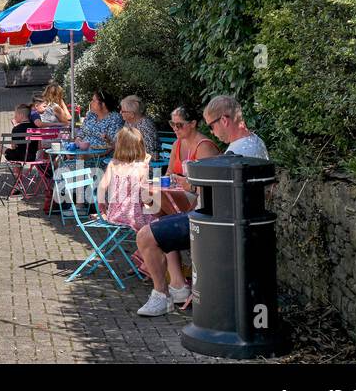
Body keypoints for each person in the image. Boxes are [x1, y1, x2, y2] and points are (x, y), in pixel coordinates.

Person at [134, 95, 269, 316]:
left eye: (212, 125)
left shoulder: (237, 152)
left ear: (224, 120)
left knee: (145, 236)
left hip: (215, 224)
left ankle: (162, 296)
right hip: (227, 222)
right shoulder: (253, 143)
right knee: (159, 219)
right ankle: (176, 287)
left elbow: (216, 194)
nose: (213, 132)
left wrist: (192, 184)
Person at [159, 105, 220, 214]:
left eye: (179, 125)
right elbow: (169, 172)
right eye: (172, 124)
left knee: (158, 198)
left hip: (199, 202)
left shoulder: (204, 146)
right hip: (181, 196)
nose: (175, 128)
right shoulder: (176, 144)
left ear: (192, 124)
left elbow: (208, 187)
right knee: (151, 195)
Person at [97, 126, 157, 232]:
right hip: (134, 218)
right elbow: (145, 197)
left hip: (114, 216)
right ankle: (145, 247)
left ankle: (142, 247)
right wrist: (153, 204)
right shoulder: (142, 167)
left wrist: (102, 209)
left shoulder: (113, 164)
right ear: (140, 146)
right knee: (160, 219)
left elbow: (101, 187)